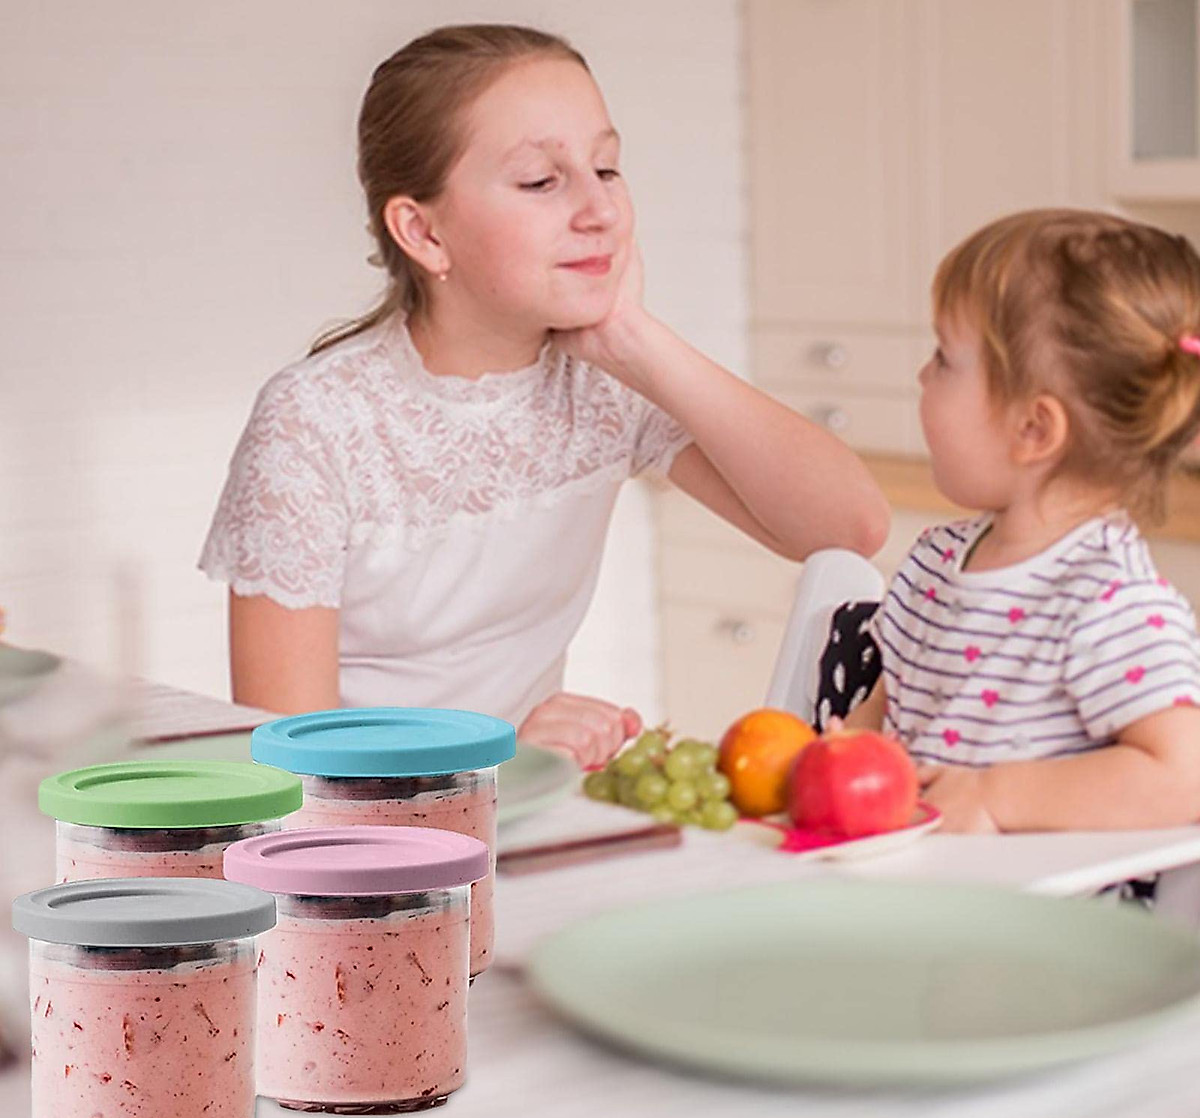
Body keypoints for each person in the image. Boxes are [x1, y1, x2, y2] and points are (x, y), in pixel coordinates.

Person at [198, 24, 888, 768]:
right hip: (395, 832)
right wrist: (495, 765)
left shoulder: (604, 382)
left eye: (607, 168)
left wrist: (635, 339)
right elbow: (290, 776)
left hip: (533, 810)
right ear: (423, 233)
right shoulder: (315, 422)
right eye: (540, 181)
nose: (600, 211)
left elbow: (847, 526)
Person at [844, 209, 1200, 832]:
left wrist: (995, 796)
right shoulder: (934, 561)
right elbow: (887, 701)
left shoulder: (1108, 598)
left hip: (1031, 897)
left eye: (943, 357)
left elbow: (1185, 776)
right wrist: (841, 754)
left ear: (1033, 428)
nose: (922, 374)